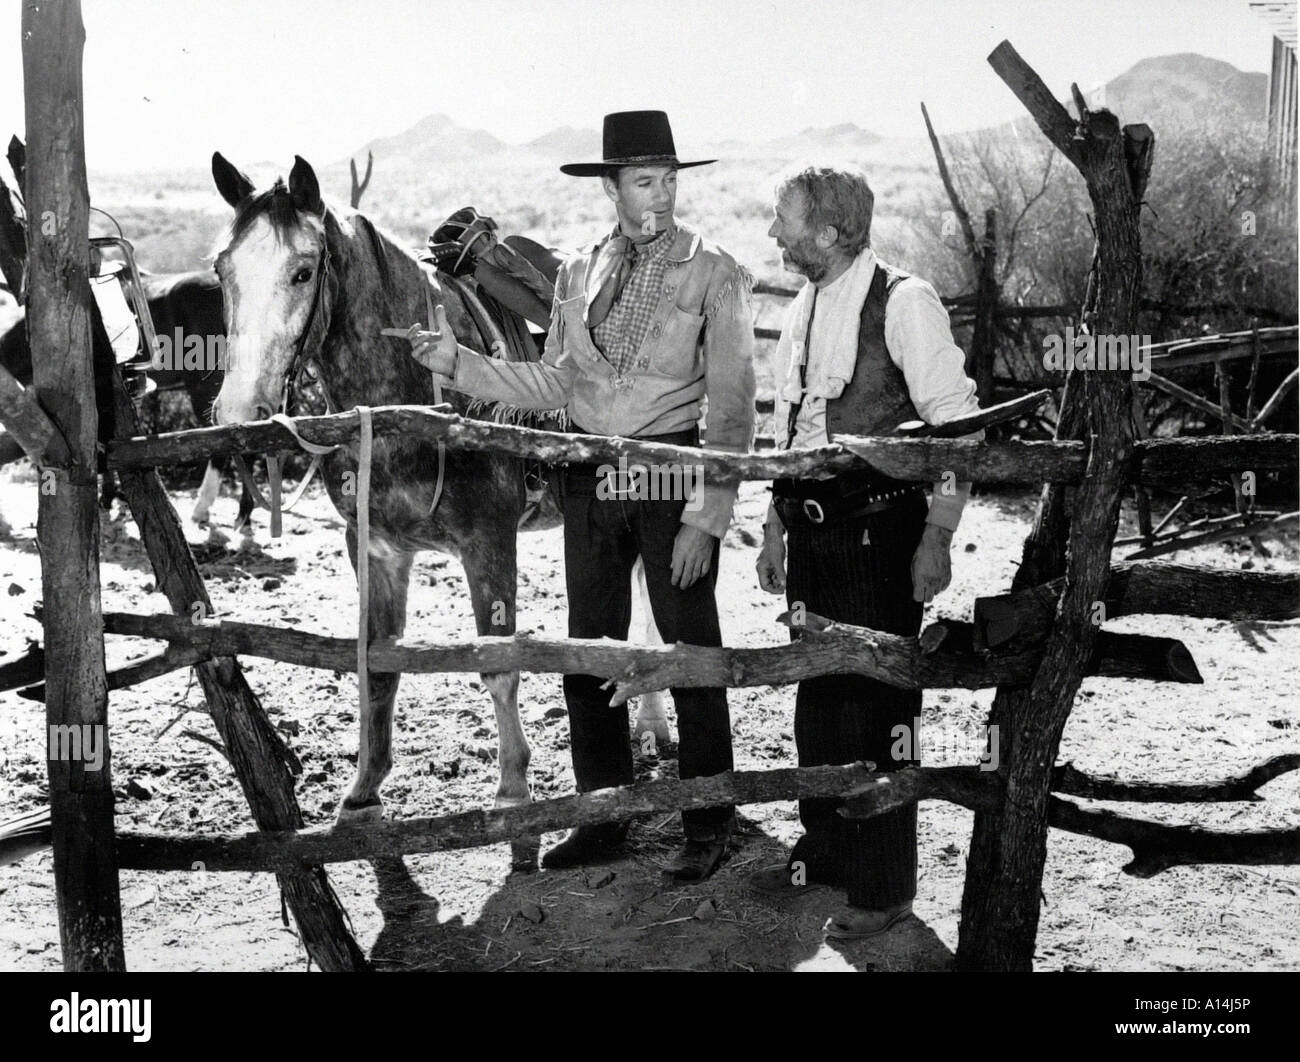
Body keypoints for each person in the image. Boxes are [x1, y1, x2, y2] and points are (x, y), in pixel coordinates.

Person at [406, 110, 756, 881]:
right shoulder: (577, 274)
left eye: (668, 180)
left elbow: (732, 408)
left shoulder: (714, 271)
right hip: (589, 479)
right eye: (642, 182)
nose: (659, 196)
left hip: (669, 478)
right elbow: (554, 381)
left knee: (690, 649)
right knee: (589, 648)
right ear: (611, 188)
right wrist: (459, 362)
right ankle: (602, 815)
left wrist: (709, 514)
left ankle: (708, 816)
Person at [748, 166, 982, 938]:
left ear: (829, 232)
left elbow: (957, 427)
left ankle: (884, 892)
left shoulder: (904, 302)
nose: (775, 235)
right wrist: (779, 526)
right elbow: (795, 430)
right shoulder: (809, 304)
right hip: (813, 537)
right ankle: (832, 855)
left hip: (882, 537)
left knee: (880, 711)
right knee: (819, 706)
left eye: (785, 221)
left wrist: (939, 535)